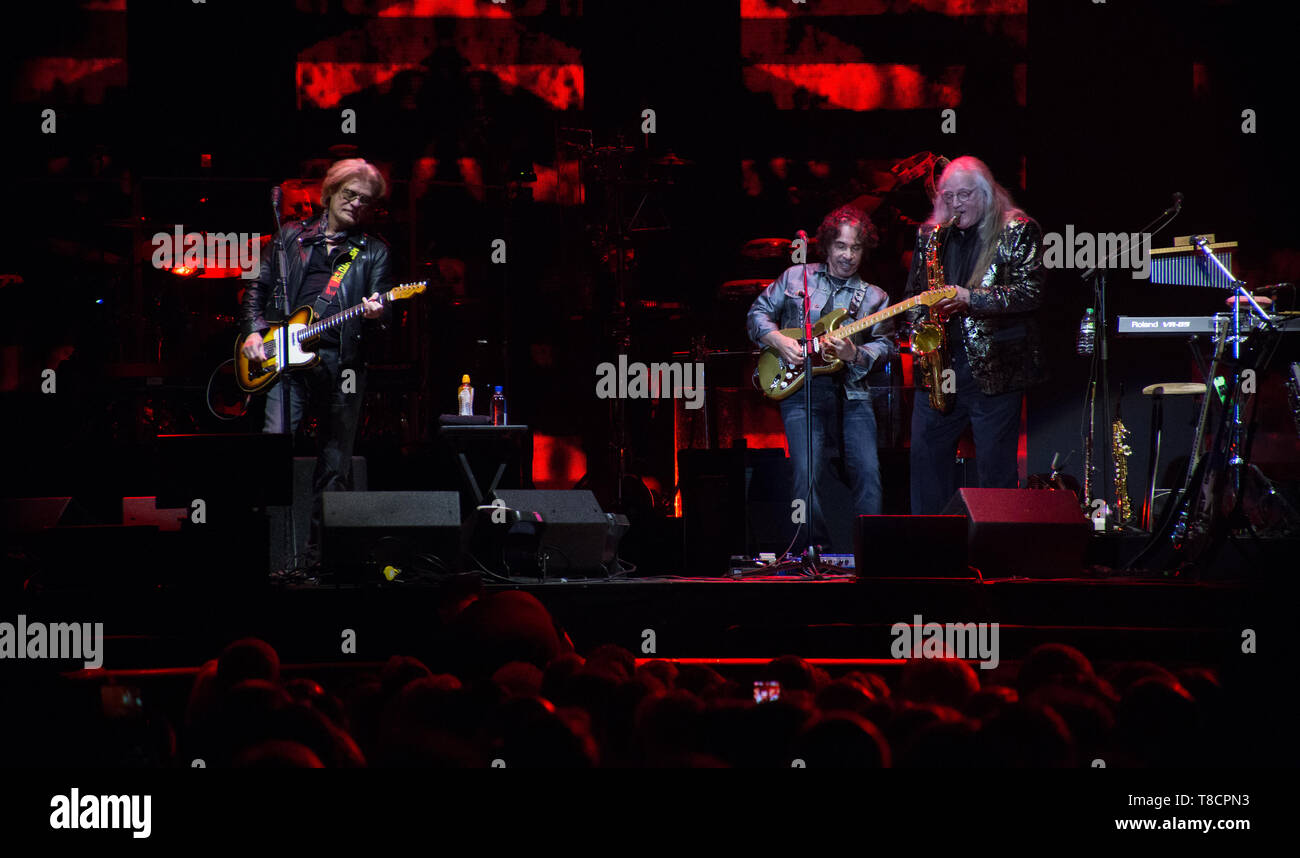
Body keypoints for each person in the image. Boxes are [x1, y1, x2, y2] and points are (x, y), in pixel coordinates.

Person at [239, 158, 393, 562]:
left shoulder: (373, 251)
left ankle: (320, 562)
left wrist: (379, 313)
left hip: (341, 365)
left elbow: (383, 318)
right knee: (273, 456)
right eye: (350, 195)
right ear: (330, 194)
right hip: (284, 360)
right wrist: (254, 331)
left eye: (366, 200)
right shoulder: (290, 236)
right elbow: (257, 286)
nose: (357, 205)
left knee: (335, 465)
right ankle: (267, 559)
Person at [901, 155, 1046, 514]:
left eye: (964, 195)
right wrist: (920, 331)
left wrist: (970, 299)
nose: (955, 204)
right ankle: (934, 550)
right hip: (939, 368)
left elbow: (1030, 292)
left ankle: (996, 554)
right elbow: (913, 295)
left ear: (985, 193)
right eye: (948, 196)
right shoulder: (930, 235)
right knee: (926, 463)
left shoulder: (1018, 229)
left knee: (995, 470)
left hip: (994, 370)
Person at [747, 205, 896, 551]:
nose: (847, 255)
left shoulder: (876, 297)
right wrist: (778, 341)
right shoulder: (795, 278)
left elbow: (887, 346)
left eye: (855, 248)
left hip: (854, 394)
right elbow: (757, 313)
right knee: (805, 477)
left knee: (869, 477)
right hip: (802, 392)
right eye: (841, 246)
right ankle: (814, 553)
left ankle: (869, 555)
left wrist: (855, 354)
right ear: (826, 245)